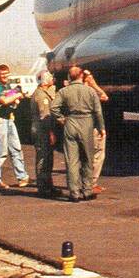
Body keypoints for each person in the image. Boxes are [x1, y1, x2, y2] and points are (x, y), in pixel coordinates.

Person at [50, 66, 106, 202]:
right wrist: (101, 127)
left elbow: (53, 108)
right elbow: (98, 111)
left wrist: (62, 119)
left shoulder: (64, 91)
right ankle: (87, 191)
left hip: (70, 123)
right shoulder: (90, 91)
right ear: (81, 76)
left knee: (72, 160)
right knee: (88, 158)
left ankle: (74, 193)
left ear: (70, 77)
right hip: (86, 124)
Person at [0, 65, 30, 189]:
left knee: (16, 148)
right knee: (1, 152)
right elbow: (4, 101)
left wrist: (16, 95)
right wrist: (17, 96)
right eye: (2, 74)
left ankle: (22, 177)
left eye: (7, 73)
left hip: (9, 119)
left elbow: (12, 97)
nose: (5, 76)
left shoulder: (7, 86)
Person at [30, 70, 58, 198]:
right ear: (45, 81)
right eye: (51, 77)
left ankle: (48, 186)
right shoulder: (41, 96)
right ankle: (43, 187)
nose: (53, 79)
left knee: (48, 159)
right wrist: (51, 133)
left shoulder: (43, 92)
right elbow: (44, 116)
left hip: (42, 129)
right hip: (42, 131)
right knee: (43, 158)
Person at [82, 69, 110, 192]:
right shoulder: (90, 93)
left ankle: (81, 182)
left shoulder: (74, 91)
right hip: (93, 128)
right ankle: (91, 183)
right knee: (97, 155)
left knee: (82, 156)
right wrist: (94, 84)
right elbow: (104, 97)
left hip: (80, 127)